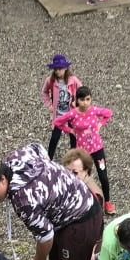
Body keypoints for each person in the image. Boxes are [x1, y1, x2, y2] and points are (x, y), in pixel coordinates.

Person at [52, 86, 115, 214]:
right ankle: (83, 202)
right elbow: (58, 122)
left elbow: (108, 113)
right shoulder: (73, 114)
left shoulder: (94, 110)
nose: (85, 103)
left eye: (88, 99)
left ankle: (107, 202)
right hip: (82, 152)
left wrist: (100, 125)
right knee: (82, 177)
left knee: (103, 176)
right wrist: (70, 131)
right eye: (82, 100)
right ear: (76, 101)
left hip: (97, 149)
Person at [41, 54, 81, 159]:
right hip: (58, 114)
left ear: (66, 68)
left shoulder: (73, 80)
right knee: (55, 137)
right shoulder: (50, 80)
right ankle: (49, 159)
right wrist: (49, 105)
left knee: (74, 136)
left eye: (60, 69)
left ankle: (74, 158)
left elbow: (82, 91)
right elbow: (44, 92)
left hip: (71, 113)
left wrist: (77, 103)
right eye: (56, 69)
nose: (58, 71)